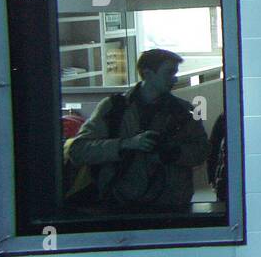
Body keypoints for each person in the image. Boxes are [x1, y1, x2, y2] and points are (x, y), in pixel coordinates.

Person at [66, 48, 211, 211]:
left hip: (170, 203)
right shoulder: (114, 109)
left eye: (175, 73)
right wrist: (125, 145)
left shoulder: (183, 112)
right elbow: (78, 151)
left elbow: (202, 151)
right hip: (120, 203)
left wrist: (173, 153)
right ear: (148, 73)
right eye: (169, 73)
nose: (175, 79)